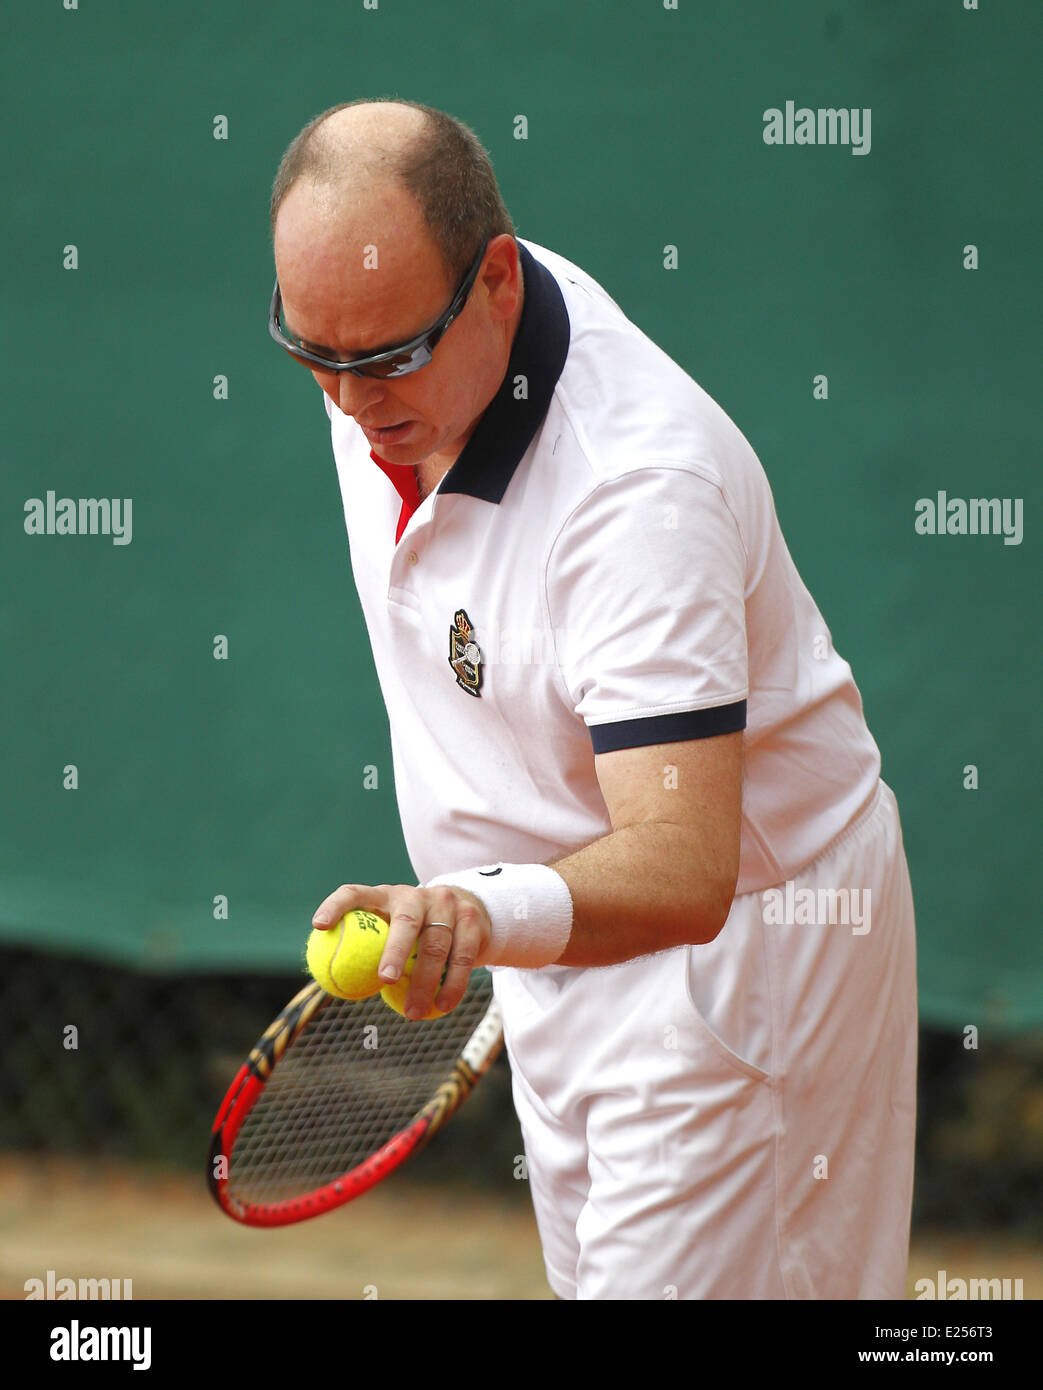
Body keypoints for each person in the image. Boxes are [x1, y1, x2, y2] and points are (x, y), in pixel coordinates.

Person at [269, 98, 918, 1300]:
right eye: (315, 354)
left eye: (387, 356)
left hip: (740, 964)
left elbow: (681, 868)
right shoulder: (393, 350)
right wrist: (495, 911)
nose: (352, 405)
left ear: (496, 284)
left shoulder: (635, 496)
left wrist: (474, 907)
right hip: (558, 944)